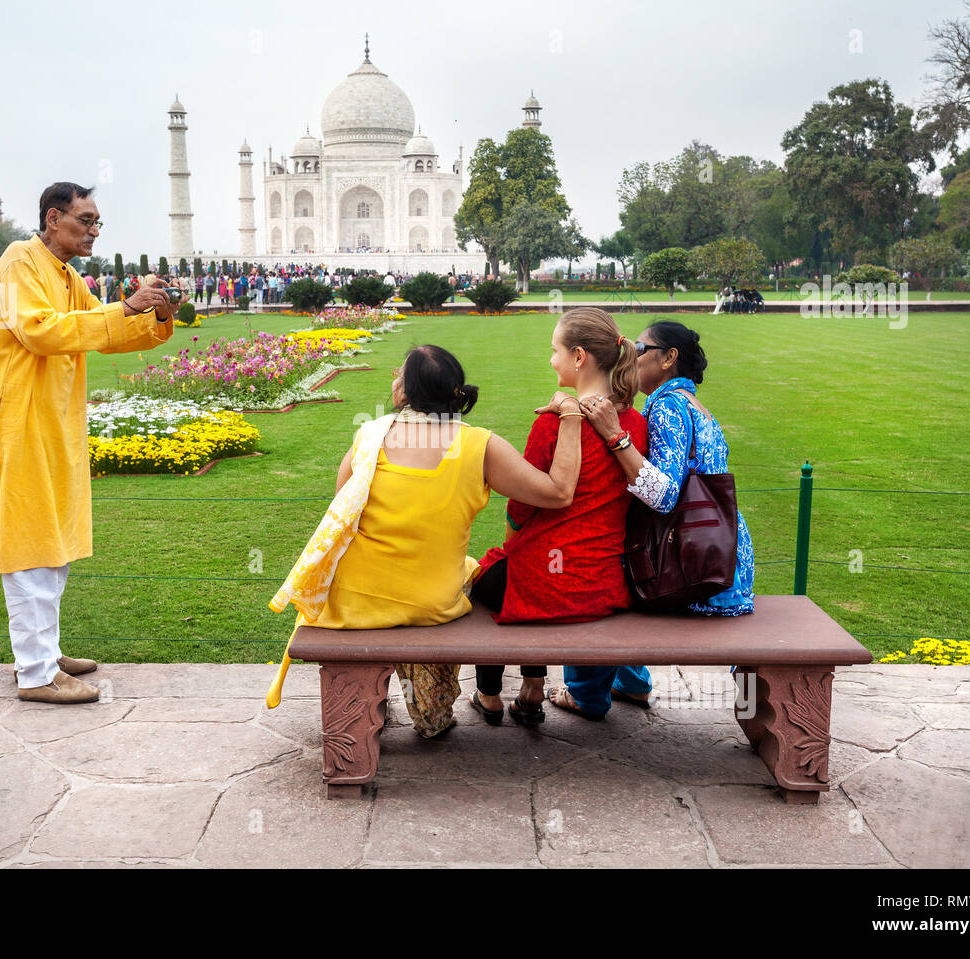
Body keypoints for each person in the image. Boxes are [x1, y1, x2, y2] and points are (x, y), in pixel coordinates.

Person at [269, 345, 585, 738]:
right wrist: (571, 414)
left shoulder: (371, 434)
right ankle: (486, 694)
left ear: (405, 391)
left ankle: (379, 707)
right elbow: (557, 492)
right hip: (432, 601)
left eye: (398, 373)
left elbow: (343, 512)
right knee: (475, 568)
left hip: (355, 600)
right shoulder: (479, 445)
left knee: (466, 568)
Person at [0, 182, 176, 705]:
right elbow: (41, 332)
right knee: (29, 547)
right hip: (19, 423)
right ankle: (34, 673)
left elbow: (108, 332)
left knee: (53, 541)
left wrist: (157, 311)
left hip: (53, 424)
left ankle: (44, 653)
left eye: (98, 223)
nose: (94, 230)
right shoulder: (19, 261)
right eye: (87, 220)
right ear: (54, 218)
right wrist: (125, 307)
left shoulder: (66, 276)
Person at [552, 319, 756, 719]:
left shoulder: (666, 405)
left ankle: (586, 693)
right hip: (724, 560)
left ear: (669, 359)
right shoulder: (696, 404)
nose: (634, 356)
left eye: (643, 350)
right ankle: (631, 682)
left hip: (691, 571)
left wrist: (615, 436)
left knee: (594, 577)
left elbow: (663, 496)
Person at [469, 308, 649, 725]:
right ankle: (530, 690)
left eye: (555, 351)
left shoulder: (552, 426)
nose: (551, 360)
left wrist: (514, 537)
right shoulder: (633, 427)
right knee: (512, 571)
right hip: (604, 585)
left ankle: (491, 694)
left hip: (547, 581)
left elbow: (521, 507)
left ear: (580, 357)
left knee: (481, 581)